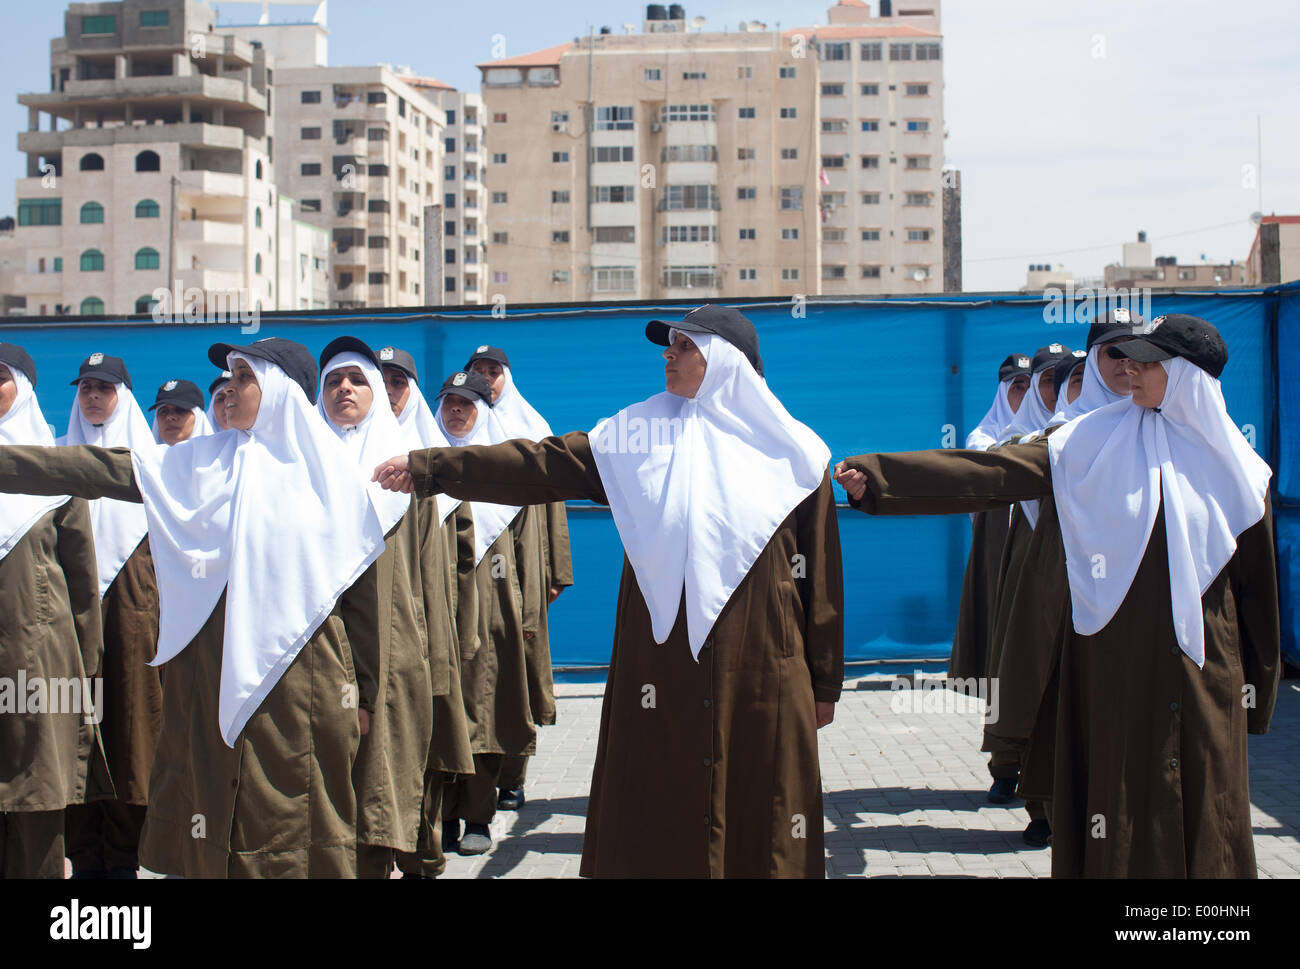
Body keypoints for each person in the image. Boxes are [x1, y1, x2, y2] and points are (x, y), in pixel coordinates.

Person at [375, 304, 845, 878]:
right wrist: (433, 467)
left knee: (763, 807)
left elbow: (818, 581)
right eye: (668, 345)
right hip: (661, 666)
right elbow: (539, 464)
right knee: (657, 804)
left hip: (764, 670)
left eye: (683, 346)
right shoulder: (636, 435)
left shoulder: (797, 455)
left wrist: (824, 682)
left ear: (728, 365)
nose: (668, 355)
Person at [835, 314, 1280, 877]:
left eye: (1148, 361)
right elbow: (992, 472)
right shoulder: (1087, 442)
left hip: (1204, 678)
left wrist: (1253, 699)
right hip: (1108, 668)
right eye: (1125, 357)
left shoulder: (1242, 472)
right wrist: (880, 477)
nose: (1130, 370)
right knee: (1111, 807)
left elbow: (1258, 599)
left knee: (1205, 807)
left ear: (1188, 375)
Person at [0, 338, 388, 877]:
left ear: (280, 394)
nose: (227, 388)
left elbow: (362, 601)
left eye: (243, 377)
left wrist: (364, 694)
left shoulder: (334, 479)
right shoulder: (197, 465)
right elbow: (94, 468)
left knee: (294, 822)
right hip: (206, 677)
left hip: (303, 685)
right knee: (213, 816)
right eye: (226, 378)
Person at [316, 337, 460, 879]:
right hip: (321, 656)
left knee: (385, 783)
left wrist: (437, 669)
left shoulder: (409, 478)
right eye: (333, 381)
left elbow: (432, 579)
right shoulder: (298, 471)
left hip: (396, 654)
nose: (344, 390)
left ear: (375, 391)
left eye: (355, 380)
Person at [0, 345, 109, 878]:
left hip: (37, 661)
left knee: (35, 798)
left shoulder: (56, 472)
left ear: (21, 390)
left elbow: (83, 583)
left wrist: (86, 674)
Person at [60, 353, 164, 879]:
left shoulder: (154, 464)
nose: (94, 397)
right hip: (69, 615)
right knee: (74, 725)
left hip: (133, 614)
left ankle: (126, 853)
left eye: (104, 388)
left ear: (123, 394)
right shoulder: (57, 458)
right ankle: (83, 851)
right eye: (86, 389)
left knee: (132, 729)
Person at [375, 346, 476, 878]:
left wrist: (449, 643)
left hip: (422, 633)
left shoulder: (428, 465)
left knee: (423, 745)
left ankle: (423, 853)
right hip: (359, 646)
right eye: (380, 379)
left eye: (397, 382)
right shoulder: (330, 461)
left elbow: (454, 567)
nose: (388, 390)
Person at [425, 370, 533, 857]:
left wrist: (528, 609)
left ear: (481, 411)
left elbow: (529, 551)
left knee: (484, 707)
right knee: (438, 708)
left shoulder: (503, 469)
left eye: (466, 405)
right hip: (433, 604)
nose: (455, 412)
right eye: (448, 403)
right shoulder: (423, 464)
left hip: (491, 603)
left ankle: (477, 815)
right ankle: (441, 815)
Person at [464, 344, 574, 812]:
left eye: (494, 371)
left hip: (527, 569)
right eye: (478, 371)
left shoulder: (532, 428)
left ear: (507, 377)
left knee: (520, 668)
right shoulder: (459, 423)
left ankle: (514, 775)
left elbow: (555, 507)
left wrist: (556, 573)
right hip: (479, 575)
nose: (487, 379)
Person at [150, 379, 214, 446]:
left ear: (199, 418)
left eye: (180, 410)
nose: (170, 417)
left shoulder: (218, 456)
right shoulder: (147, 456)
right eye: (163, 412)